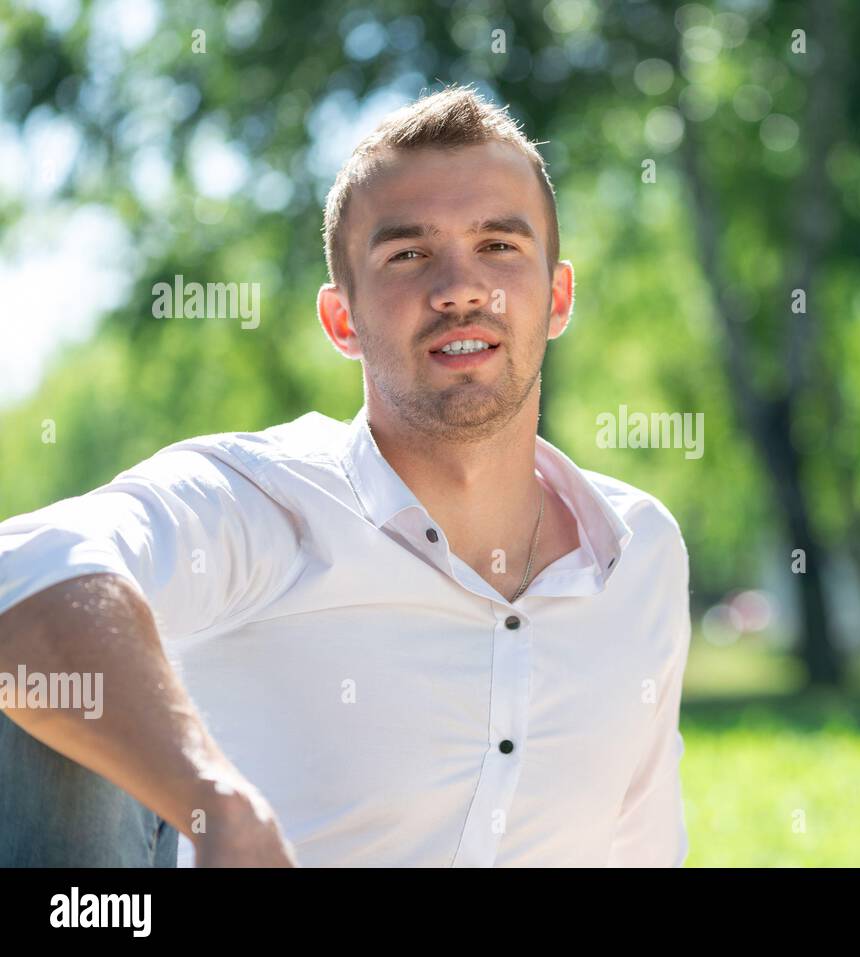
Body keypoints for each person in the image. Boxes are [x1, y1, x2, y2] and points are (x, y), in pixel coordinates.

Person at [0, 83, 692, 867]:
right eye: (409, 254)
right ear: (342, 320)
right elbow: (21, 569)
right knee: (44, 691)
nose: (460, 287)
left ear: (557, 296)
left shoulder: (641, 552)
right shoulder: (259, 503)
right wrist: (214, 801)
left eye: (499, 246)